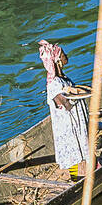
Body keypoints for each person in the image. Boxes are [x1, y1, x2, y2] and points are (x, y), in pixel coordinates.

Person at [38, 40, 90, 178]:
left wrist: (77, 91)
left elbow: (69, 92)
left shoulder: (63, 78)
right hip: (70, 126)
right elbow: (67, 104)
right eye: (63, 55)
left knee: (82, 147)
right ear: (56, 60)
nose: (66, 56)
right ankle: (78, 177)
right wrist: (80, 94)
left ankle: (85, 170)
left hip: (76, 122)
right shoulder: (54, 83)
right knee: (75, 149)